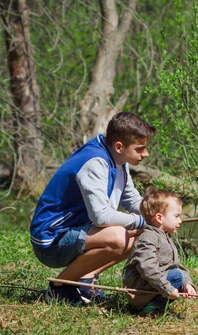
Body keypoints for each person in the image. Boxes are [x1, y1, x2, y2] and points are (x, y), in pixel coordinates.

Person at [30, 112, 156, 305]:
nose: (145, 154)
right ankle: (59, 288)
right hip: (50, 240)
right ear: (119, 146)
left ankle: (84, 281)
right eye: (140, 149)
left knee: (142, 236)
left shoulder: (118, 159)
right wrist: (140, 221)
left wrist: (153, 216)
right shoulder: (95, 162)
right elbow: (101, 217)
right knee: (117, 237)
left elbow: (130, 198)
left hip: (78, 231)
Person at [122, 189, 196, 316]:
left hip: (151, 287)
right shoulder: (148, 238)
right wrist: (167, 289)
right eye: (176, 216)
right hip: (139, 291)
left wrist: (187, 284)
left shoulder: (165, 237)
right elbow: (148, 267)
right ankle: (151, 309)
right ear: (159, 218)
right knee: (176, 276)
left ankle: (151, 305)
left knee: (178, 275)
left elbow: (175, 266)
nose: (180, 221)